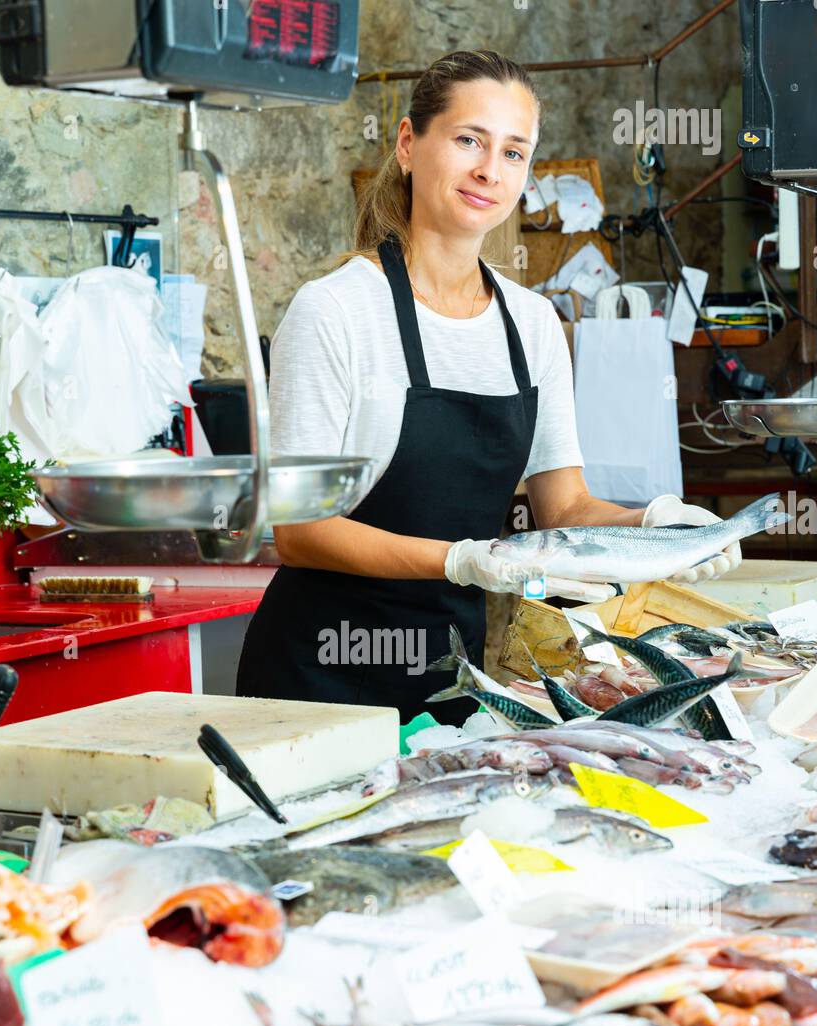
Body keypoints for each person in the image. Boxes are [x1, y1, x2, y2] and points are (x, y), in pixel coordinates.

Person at [236, 49, 740, 723]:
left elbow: (564, 509)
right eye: (468, 139)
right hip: (318, 677)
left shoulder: (531, 324)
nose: (487, 171)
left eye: (512, 152)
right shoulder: (335, 310)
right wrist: (462, 560)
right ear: (409, 145)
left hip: (452, 680)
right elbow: (298, 531)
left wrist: (656, 528)